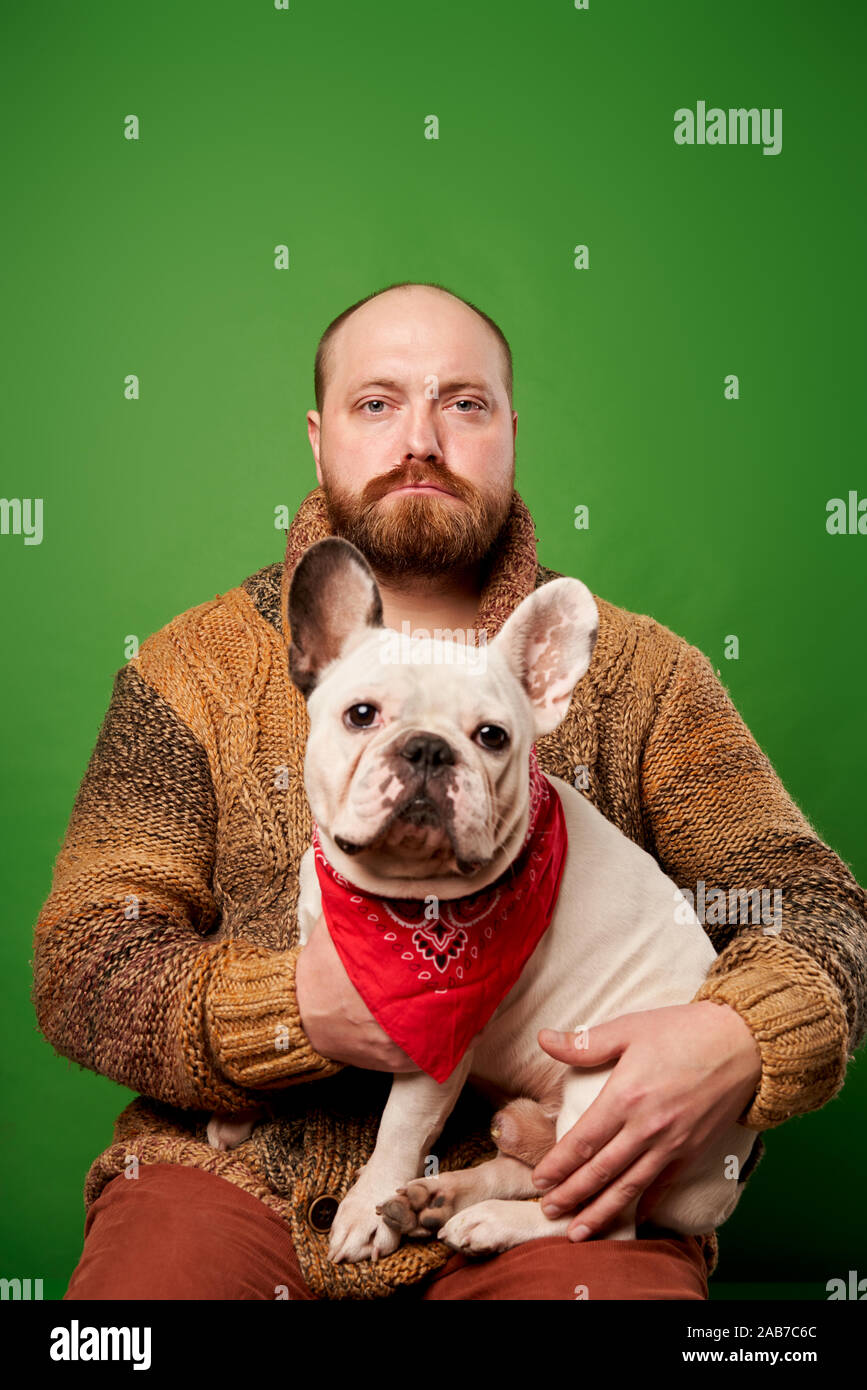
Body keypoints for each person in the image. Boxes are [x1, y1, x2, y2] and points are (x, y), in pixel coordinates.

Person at [34, 282, 867, 1301]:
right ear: (318, 434)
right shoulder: (190, 667)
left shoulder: (647, 673)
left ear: (513, 429)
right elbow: (84, 962)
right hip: (226, 1175)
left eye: (463, 403)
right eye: (377, 402)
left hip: (575, 1178)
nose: (420, 438)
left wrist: (737, 1035)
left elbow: (818, 909)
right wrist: (295, 1012)